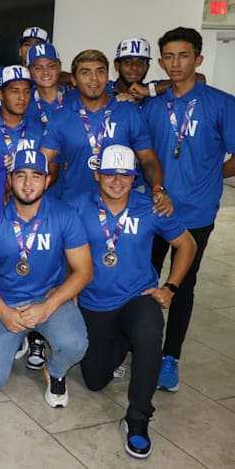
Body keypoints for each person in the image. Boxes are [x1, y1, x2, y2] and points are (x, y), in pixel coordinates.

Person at [73, 144, 196, 459]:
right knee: (95, 381)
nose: (117, 181)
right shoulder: (77, 205)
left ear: (134, 178)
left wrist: (170, 287)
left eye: (125, 175)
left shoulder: (151, 208)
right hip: (94, 302)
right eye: (110, 174)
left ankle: (138, 418)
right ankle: (125, 340)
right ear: (97, 175)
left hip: (137, 297)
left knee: (150, 332)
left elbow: (187, 245)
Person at [142, 26, 235, 392]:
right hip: (155, 208)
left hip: (197, 211)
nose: (176, 63)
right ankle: (140, 344)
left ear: (198, 59)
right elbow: (146, 157)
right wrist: (156, 188)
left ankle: (170, 357)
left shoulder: (222, 103)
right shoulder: (153, 107)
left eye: (184, 56)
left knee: (183, 284)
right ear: (161, 62)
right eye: (169, 57)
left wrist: (214, 174)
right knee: (144, 277)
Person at [0, 149, 91, 408]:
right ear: (9, 180)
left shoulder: (64, 214)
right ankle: (22, 338)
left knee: (75, 345)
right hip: (5, 300)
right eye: (20, 175)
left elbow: (84, 270)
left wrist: (48, 306)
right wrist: (3, 311)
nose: (28, 184)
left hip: (47, 298)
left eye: (36, 176)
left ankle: (55, 371)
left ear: (47, 181)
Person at [40, 49, 170, 210]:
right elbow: (42, 161)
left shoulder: (128, 111)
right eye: (85, 72)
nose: (94, 78)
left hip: (119, 208)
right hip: (75, 208)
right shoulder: (60, 117)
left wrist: (157, 187)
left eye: (100, 71)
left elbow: (147, 158)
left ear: (108, 76)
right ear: (73, 80)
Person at [0, 66, 44, 171]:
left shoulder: (40, 128)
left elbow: (51, 168)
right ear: (0, 94)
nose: (22, 97)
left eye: (27, 91)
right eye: (15, 91)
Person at [26, 43, 71, 128]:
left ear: (59, 67)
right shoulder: (24, 102)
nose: (45, 72)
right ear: (29, 71)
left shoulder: (74, 97)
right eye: (38, 68)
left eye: (51, 66)